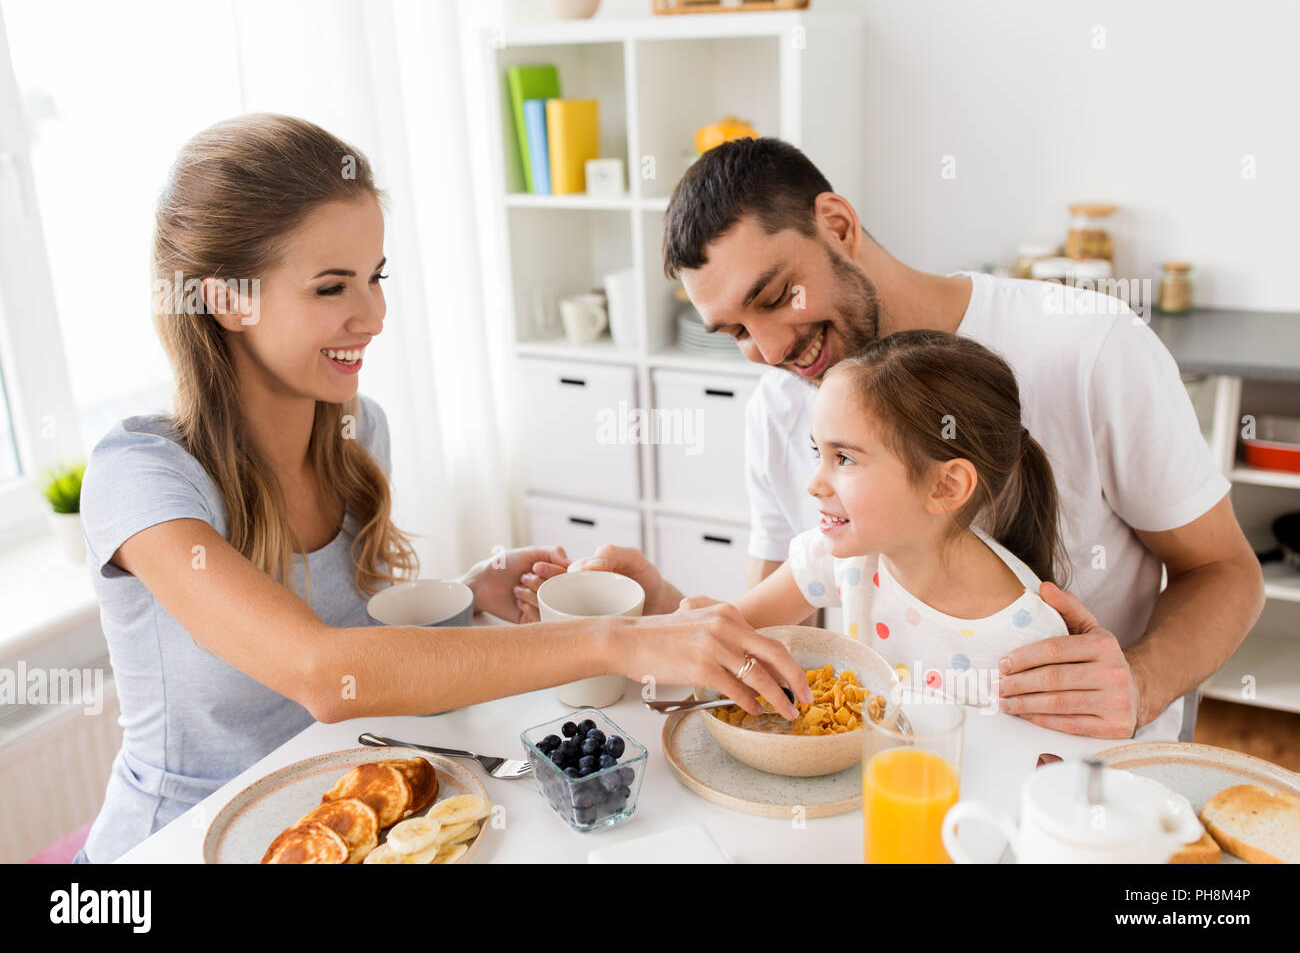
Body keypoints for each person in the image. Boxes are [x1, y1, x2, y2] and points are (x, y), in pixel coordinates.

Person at [72, 115, 809, 863]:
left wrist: (465, 597)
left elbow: (351, 639)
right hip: (176, 843)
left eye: (376, 277)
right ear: (228, 302)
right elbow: (327, 675)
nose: (375, 316)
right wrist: (618, 640)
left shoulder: (356, 435)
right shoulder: (141, 476)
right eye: (332, 287)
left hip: (337, 819)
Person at [543, 137, 1264, 742]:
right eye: (734, 330)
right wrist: (668, 609)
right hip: (895, 767)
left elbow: (1227, 572)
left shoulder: (1090, 347)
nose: (768, 350)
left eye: (773, 298)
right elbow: (771, 625)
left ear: (837, 224)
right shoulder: (780, 409)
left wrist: (1140, 681)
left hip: (1080, 768)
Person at [727, 329, 1073, 711]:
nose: (814, 485)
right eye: (817, 452)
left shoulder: (1031, 639)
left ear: (946, 486)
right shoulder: (841, 559)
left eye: (844, 459)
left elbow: (1040, 762)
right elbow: (724, 640)